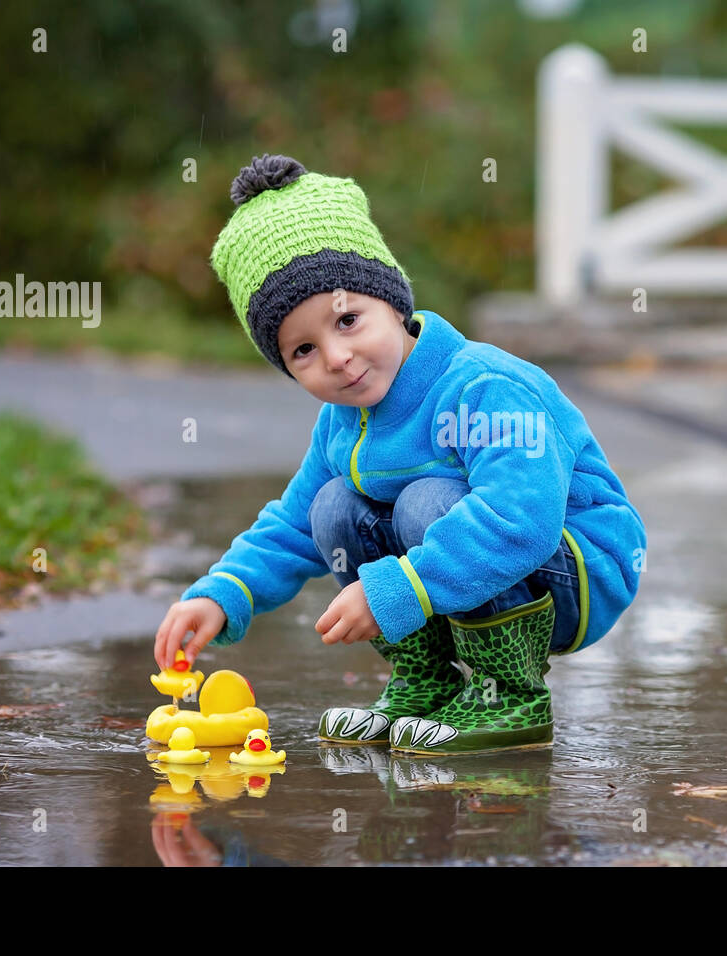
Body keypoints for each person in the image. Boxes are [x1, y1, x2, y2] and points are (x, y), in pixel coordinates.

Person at [154, 154, 646, 755]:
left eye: (348, 319)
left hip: (574, 567)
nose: (336, 357)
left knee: (425, 500)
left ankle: (508, 693)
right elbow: (292, 521)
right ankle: (426, 681)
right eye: (302, 350)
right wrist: (222, 591)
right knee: (334, 506)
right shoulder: (343, 421)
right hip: (459, 572)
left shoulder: (482, 386)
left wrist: (398, 589)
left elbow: (523, 517)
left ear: (392, 299)